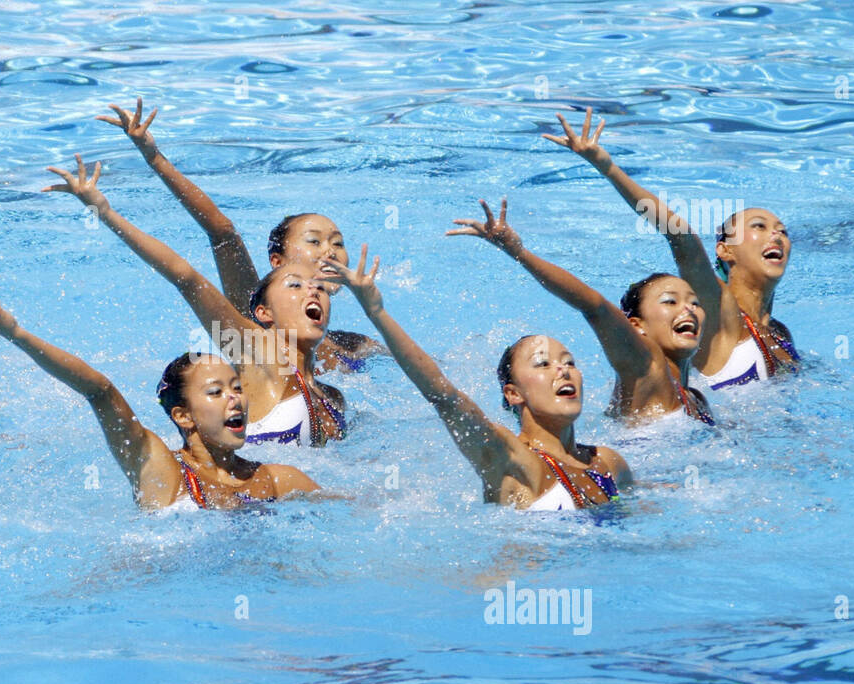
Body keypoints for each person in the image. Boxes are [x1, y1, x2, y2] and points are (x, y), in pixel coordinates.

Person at [44, 154, 346, 446]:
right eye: (295, 285)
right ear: (264, 313)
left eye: (318, 288)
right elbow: (185, 277)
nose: (312, 291)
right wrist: (107, 213)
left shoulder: (332, 399)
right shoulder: (257, 351)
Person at [0, 282, 319, 510]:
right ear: (183, 416)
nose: (234, 398)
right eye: (216, 392)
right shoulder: (163, 471)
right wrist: (17, 334)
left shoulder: (277, 480)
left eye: (237, 388)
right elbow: (99, 390)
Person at [320, 248, 631, 510]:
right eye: (543, 364)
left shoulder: (607, 463)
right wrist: (377, 312)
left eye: (569, 362)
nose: (563, 370)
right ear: (513, 394)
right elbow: (442, 395)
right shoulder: (508, 457)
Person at [98, 98, 385, 373]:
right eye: (314, 241)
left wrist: (376, 309)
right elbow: (221, 232)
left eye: (338, 243)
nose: (330, 251)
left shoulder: (353, 344)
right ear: (277, 261)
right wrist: (154, 157)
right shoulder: (255, 320)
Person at [542, 110, 799, 389]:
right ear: (725, 251)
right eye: (759, 226)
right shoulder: (716, 312)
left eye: (782, 230)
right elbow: (680, 236)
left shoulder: (778, 332)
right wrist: (609, 169)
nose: (776, 234)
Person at [449, 198, 715, 425]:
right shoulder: (646, 364)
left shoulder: (693, 396)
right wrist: (519, 253)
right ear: (636, 325)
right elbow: (594, 306)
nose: (688, 309)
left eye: (695, 303)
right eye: (670, 301)